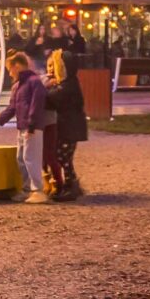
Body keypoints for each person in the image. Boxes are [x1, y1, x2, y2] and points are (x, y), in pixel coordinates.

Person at [0, 51, 51, 200]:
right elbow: (13, 107)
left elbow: (36, 105)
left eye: (10, 70)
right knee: (21, 158)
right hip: (23, 126)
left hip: (32, 127)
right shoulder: (19, 85)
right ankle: (27, 189)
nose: (10, 74)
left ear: (17, 66)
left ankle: (37, 190)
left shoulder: (33, 82)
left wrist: (31, 126)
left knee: (30, 157)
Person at [41, 46, 88, 199]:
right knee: (63, 157)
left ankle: (70, 186)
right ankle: (70, 184)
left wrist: (45, 87)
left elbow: (49, 99)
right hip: (69, 127)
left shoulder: (67, 86)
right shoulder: (68, 83)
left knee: (62, 157)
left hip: (69, 129)